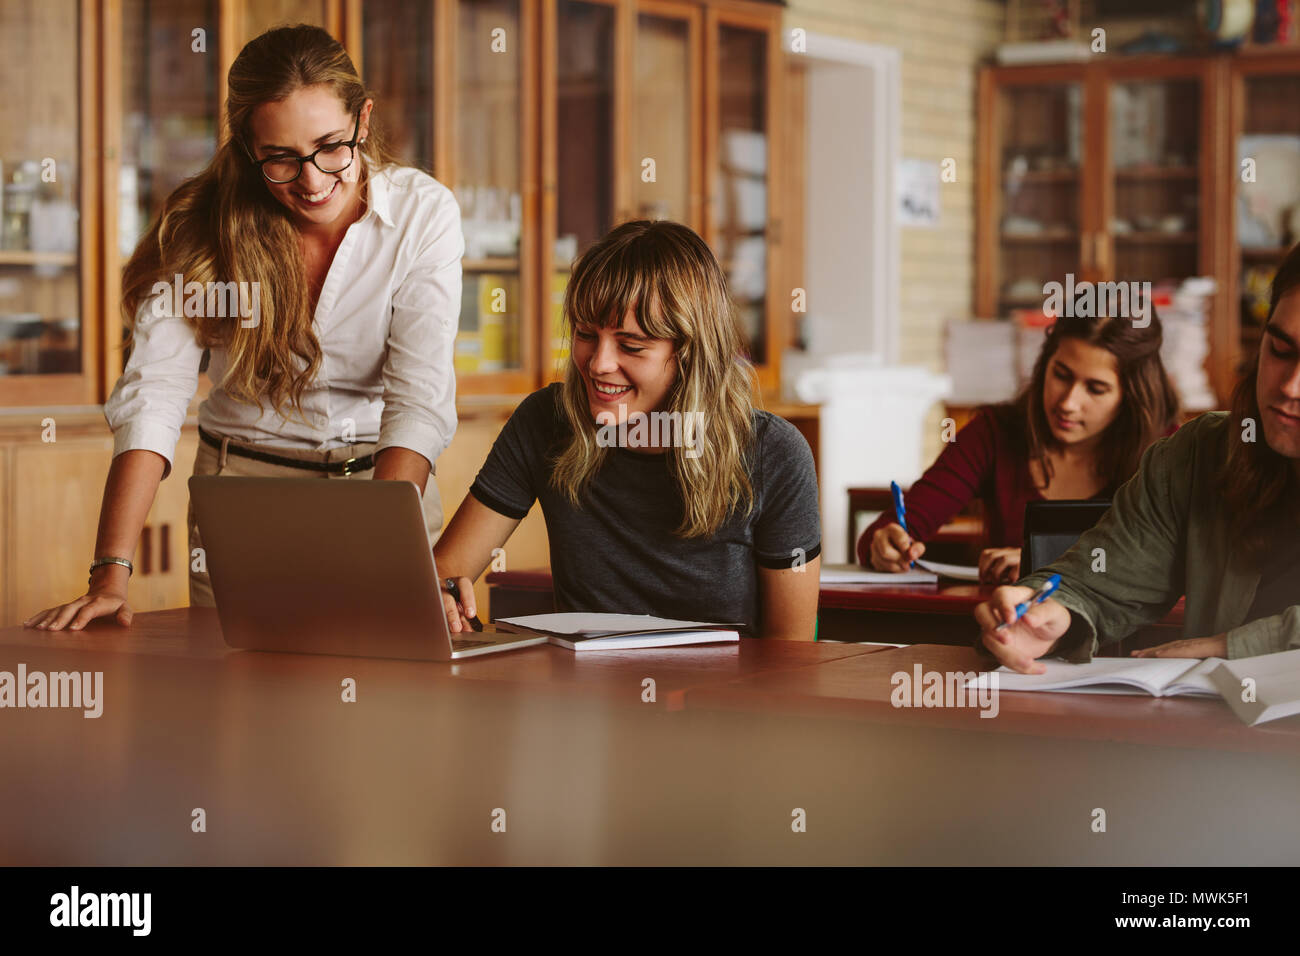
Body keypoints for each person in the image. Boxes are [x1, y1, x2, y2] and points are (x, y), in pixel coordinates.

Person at [24, 24, 461, 630]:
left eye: (331, 146)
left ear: (363, 121)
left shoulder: (423, 214)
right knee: (243, 706)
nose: (311, 182)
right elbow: (154, 394)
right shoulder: (201, 225)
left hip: (384, 491)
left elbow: (418, 401)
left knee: (393, 705)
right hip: (245, 494)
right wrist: (111, 573)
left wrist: (386, 554)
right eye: (280, 158)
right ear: (247, 148)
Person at [433, 220, 822, 639]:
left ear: (690, 353)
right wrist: (440, 595)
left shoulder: (773, 453)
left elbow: (792, 659)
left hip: (720, 701)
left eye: (631, 345)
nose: (598, 364)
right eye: (585, 334)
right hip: (584, 699)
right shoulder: (545, 420)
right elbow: (443, 577)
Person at [976, 244, 1300, 672]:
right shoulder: (1197, 454)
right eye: (1280, 350)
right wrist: (1050, 611)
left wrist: (1231, 647)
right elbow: (1103, 577)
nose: (1291, 387)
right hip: (1212, 734)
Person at [859, 312, 1179, 584]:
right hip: (1004, 636)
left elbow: (1175, 559)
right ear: (1044, 365)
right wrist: (884, 543)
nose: (1068, 403)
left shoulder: (1167, 450)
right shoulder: (994, 433)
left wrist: (1045, 559)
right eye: (1061, 375)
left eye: (1095, 389)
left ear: (1131, 396)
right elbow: (889, 530)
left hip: (1127, 645)